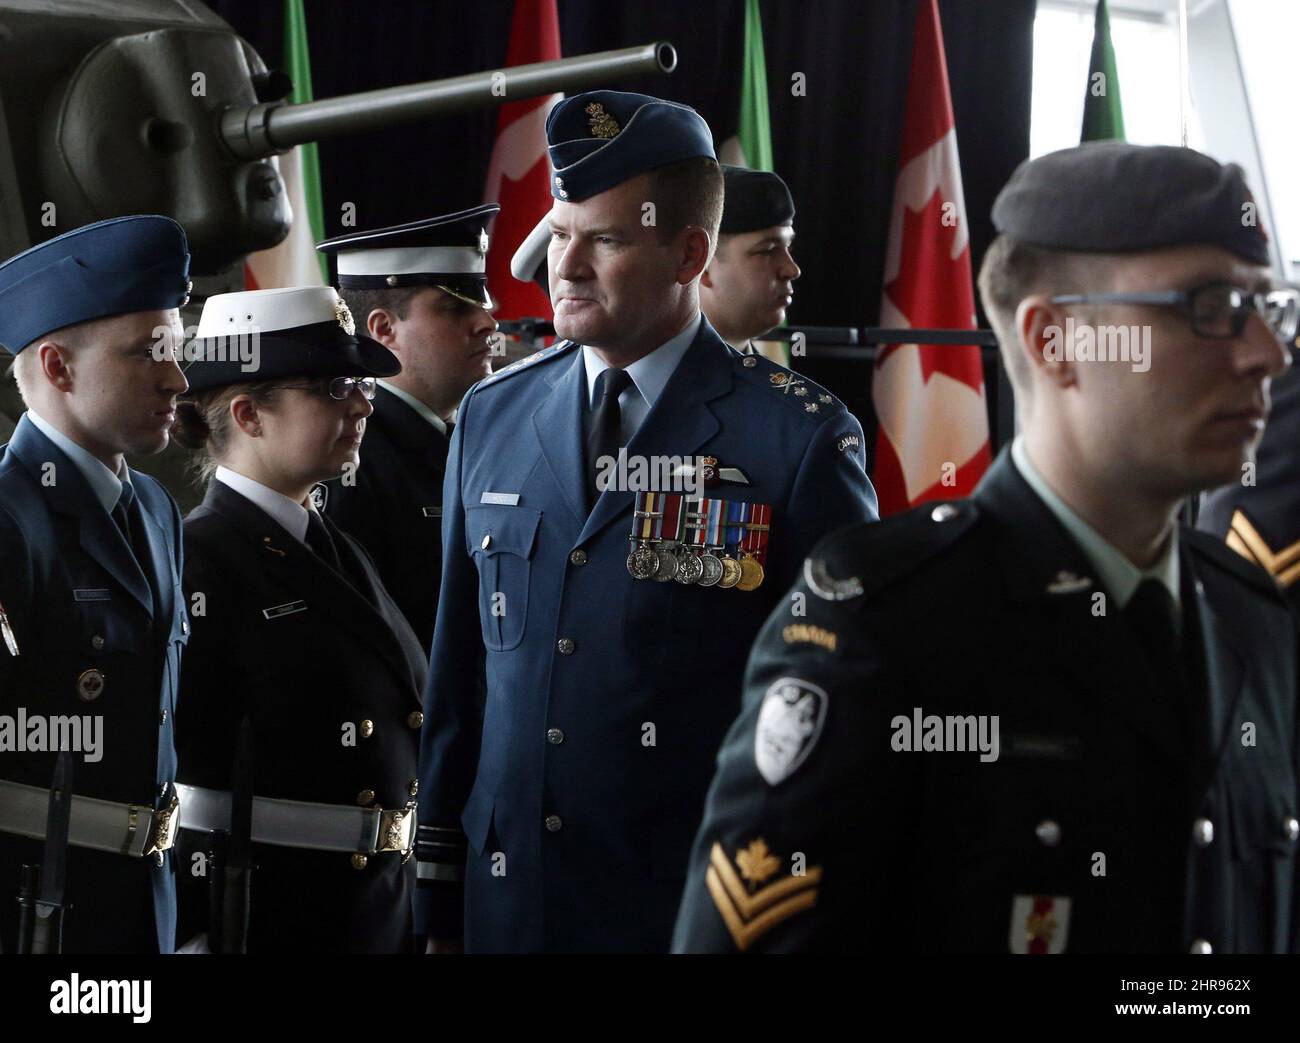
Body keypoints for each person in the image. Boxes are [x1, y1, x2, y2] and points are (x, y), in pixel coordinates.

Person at [672, 141, 1300, 954]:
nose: (1268, 355)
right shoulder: (888, 630)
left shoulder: (1250, 618)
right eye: (1209, 306)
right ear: (1051, 340)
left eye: (1269, 308)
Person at [415, 90, 878, 953]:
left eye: (608, 239)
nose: (567, 265)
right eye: (559, 232)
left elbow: (837, 723)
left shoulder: (799, 438)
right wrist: (438, 894)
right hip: (506, 913)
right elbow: (461, 683)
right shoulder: (491, 416)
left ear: (689, 252)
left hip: (689, 918)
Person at [170, 287, 427, 953]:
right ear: (249, 414)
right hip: (276, 916)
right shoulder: (202, 558)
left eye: (361, 385)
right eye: (333, 386)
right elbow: (174, 773)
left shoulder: (333, 545)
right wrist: (196, 928)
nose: (365, 404)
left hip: (371, 908)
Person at [0, 215, 191, 953]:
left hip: (145, 909)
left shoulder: (154, 509)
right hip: (34, 914)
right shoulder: (10, 522)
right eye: (148, 353)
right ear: (56, 366)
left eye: (176, 349)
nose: (176, 376)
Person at [316, 207, 501, 650]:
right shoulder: (349, 459)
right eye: (456, 308)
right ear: (383, 329)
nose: (488, 323)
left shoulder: (478, 440)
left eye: (482, 306)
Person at [699, 165, 801, 354]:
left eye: (788, 248)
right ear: (703, 265)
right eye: (768, 251)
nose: (791, 270)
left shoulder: (773, 382)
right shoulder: (638, 380)